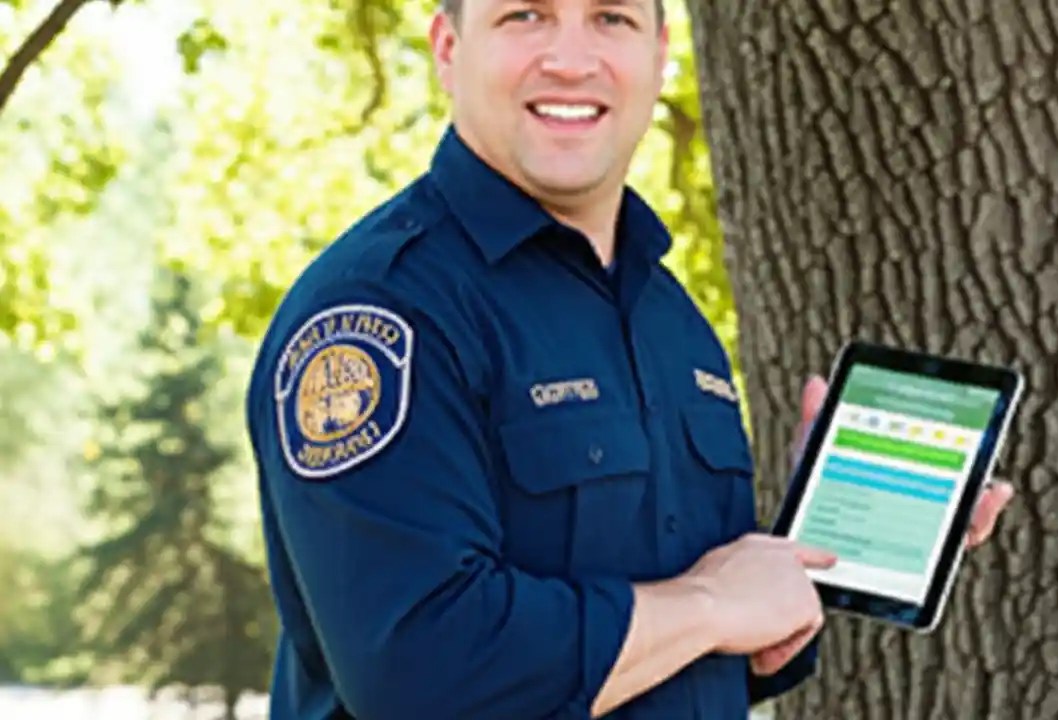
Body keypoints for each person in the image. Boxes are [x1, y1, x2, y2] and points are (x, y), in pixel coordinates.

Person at [244, 1, 1015, 717]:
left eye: (610, 16)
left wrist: (818, 548)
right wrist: (712, 606)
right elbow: (419, 670)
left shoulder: (669, 319)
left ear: (658, 51)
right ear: (449, 50)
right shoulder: (382, 312)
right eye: (526, 15)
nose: (571, 60)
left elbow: (661, 650)